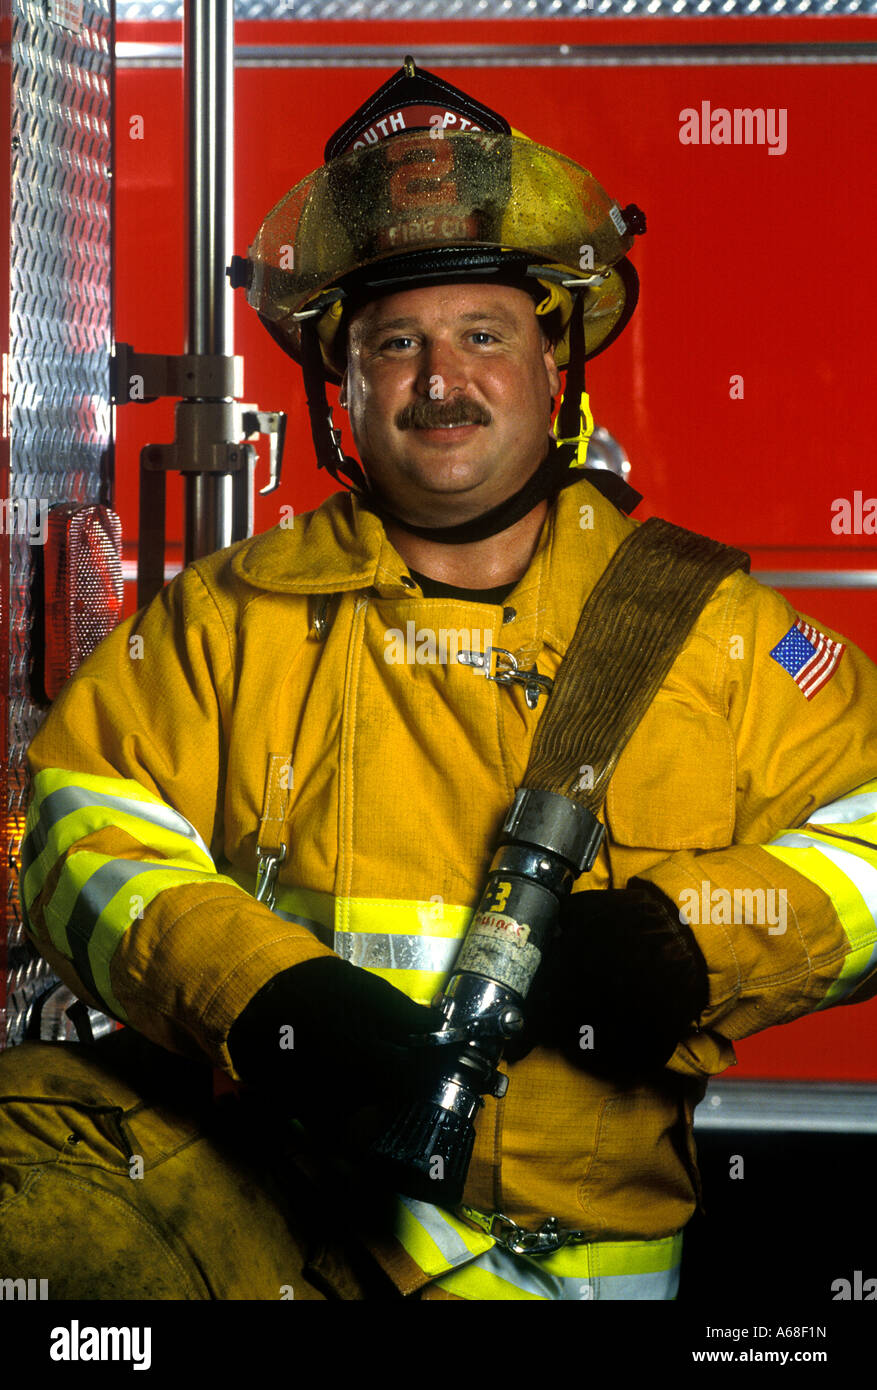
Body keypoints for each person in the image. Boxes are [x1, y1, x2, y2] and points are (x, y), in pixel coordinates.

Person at [2, 58, 876, 1303]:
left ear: (554, 366)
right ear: (340, 391)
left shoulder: (710, 627)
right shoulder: (224, 621)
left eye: (483, 335)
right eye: (395, 342)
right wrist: (267, 994)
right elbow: (79, 832)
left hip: (581, 1273)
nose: (439, 378)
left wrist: (700, 943)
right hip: (284, 1229)